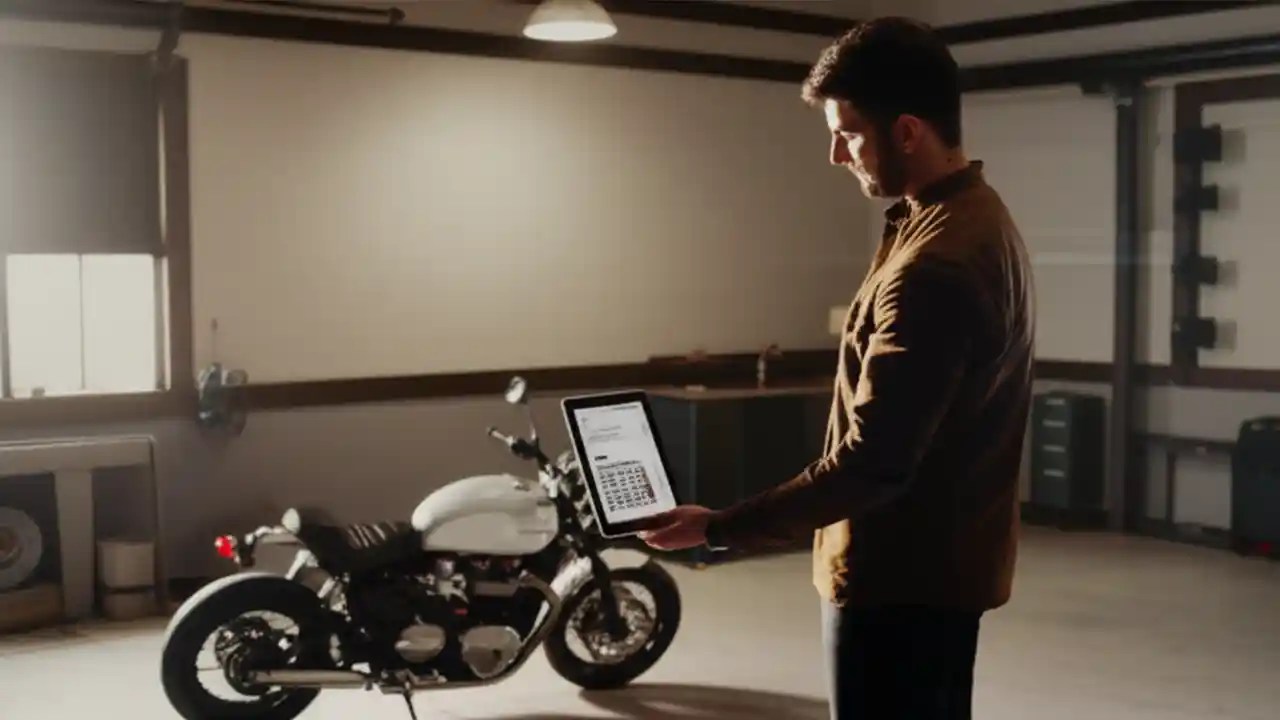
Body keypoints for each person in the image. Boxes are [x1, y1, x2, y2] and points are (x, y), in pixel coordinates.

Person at [639, 16, 1036, 720]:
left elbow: (872, 465)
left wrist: (719, 527)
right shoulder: (975, 216)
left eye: (847, 134)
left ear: (906, 131)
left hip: (897, 586)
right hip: (941, 573)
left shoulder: (935, 264)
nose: (835, 155)